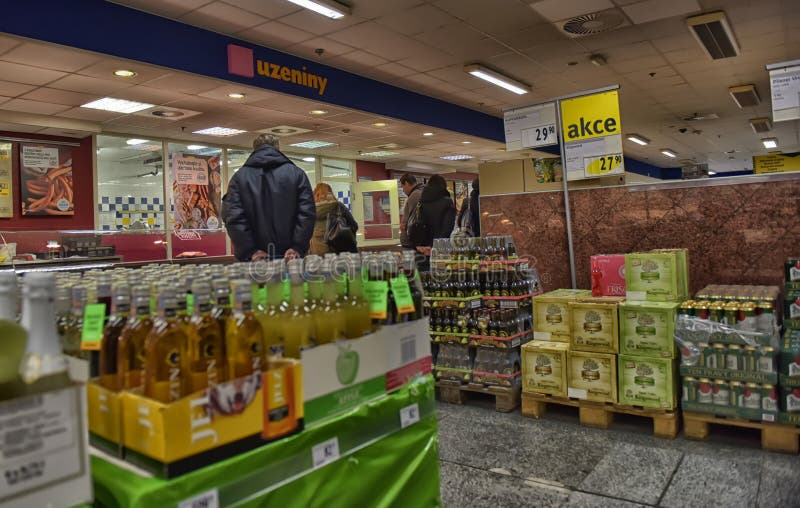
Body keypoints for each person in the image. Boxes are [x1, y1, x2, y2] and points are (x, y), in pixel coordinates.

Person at [222, 134, 315, 261]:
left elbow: (233, 217)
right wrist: (297, 247)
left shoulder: (239, 178)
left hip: (255, 261)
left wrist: (250, 251)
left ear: (254, 149)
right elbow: (307, 214)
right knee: (292, 281)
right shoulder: (297, 174)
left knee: (255, 282)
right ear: (278, 148)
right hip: (290, 258)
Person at [309, 183, 358, 255]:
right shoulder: (338, 206)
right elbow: (354, 225)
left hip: (317, 251)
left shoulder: (310, 210)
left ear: (316, 194)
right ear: (330, 192)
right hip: (338, 248)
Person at [417, 174, 456, 252]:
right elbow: (447, 228)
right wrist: (436, 246)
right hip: (441, 246)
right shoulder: (447, 202)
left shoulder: (422, 201)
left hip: (424, 246)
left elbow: (420, 223)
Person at [399, 173, 424, 248]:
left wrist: (403, 229)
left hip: (412, 240)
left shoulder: (415, 195)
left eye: (403, 187)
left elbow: (408, 219)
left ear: (406, 183)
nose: (403, 190)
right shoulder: (423, 191)